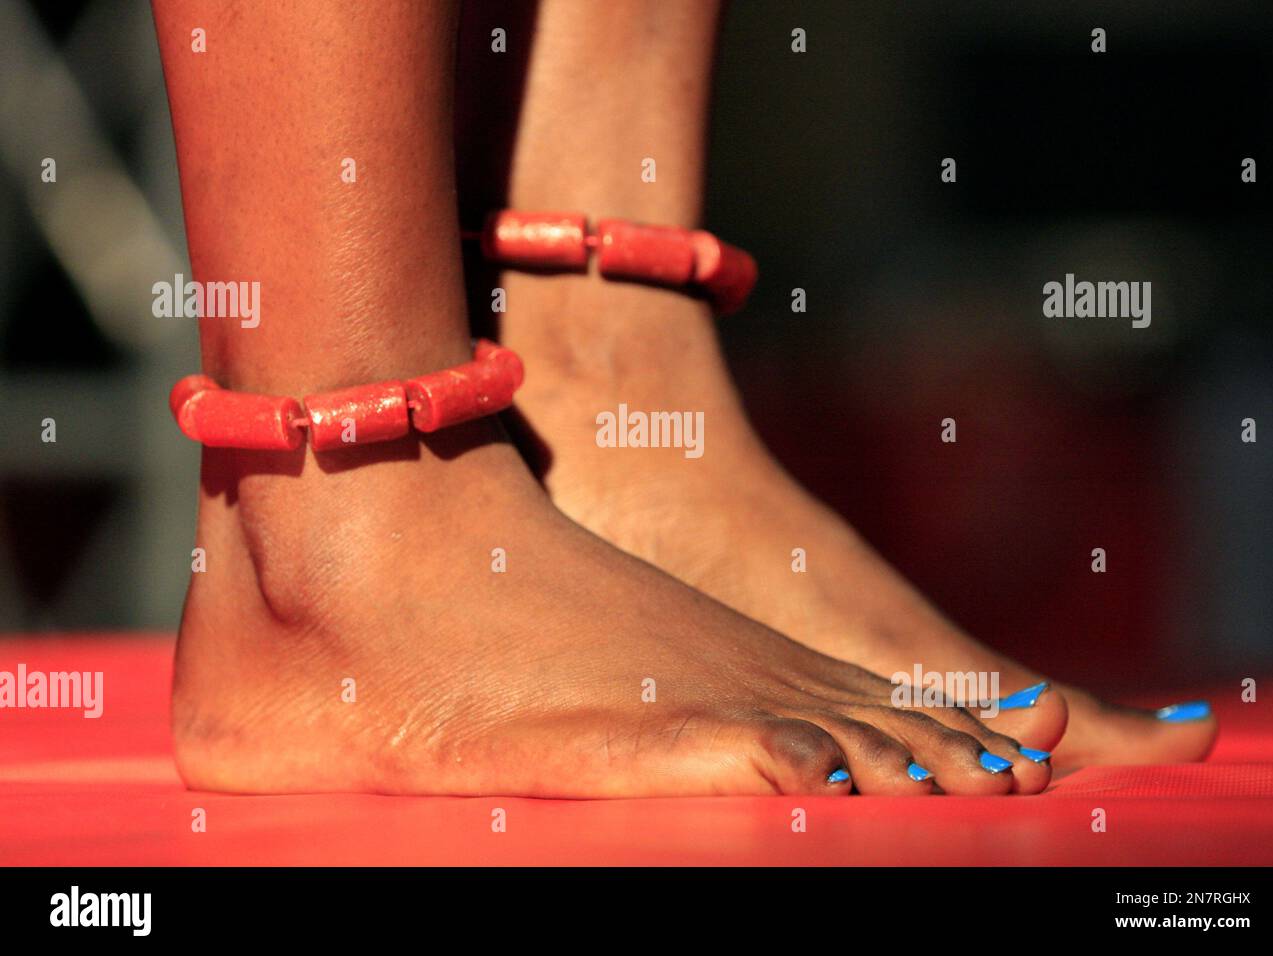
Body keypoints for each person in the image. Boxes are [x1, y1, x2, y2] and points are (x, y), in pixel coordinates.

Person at [151, 0, 1212, 797]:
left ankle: (591, 386)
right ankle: (335, 531)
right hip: (329, 482)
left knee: (604, 369)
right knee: (339, 452)